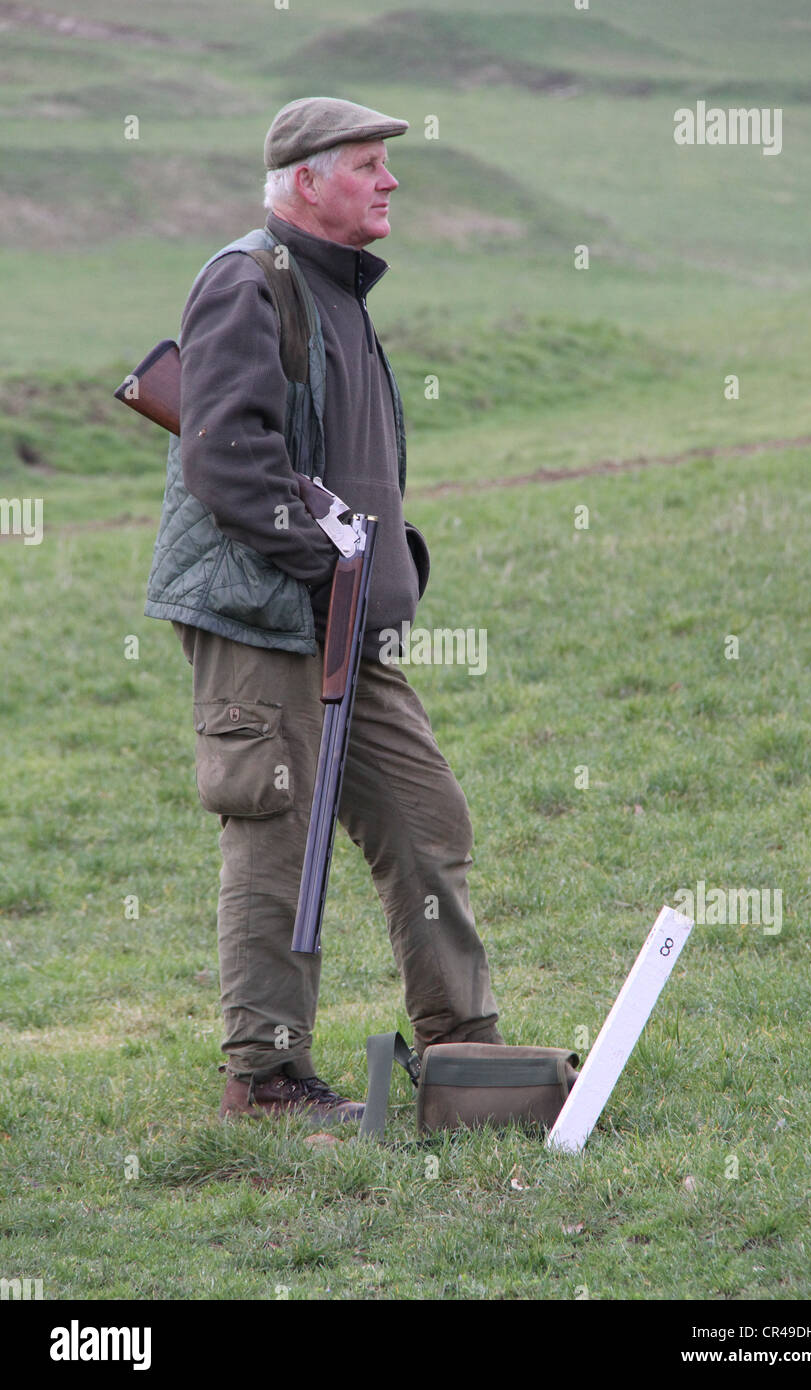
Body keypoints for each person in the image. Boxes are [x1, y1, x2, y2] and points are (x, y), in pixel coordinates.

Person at [144, 98, 503, 1124]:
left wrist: (362, 576)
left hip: (342, 622)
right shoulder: (246, 280)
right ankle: (264, 1077)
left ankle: (461, 1046)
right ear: (304, 181)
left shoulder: (335, 290)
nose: (389, 181)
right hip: (263, 616)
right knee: (273, 833)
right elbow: (225, 455)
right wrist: (328, 554)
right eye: (366, 164)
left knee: (427, 820)